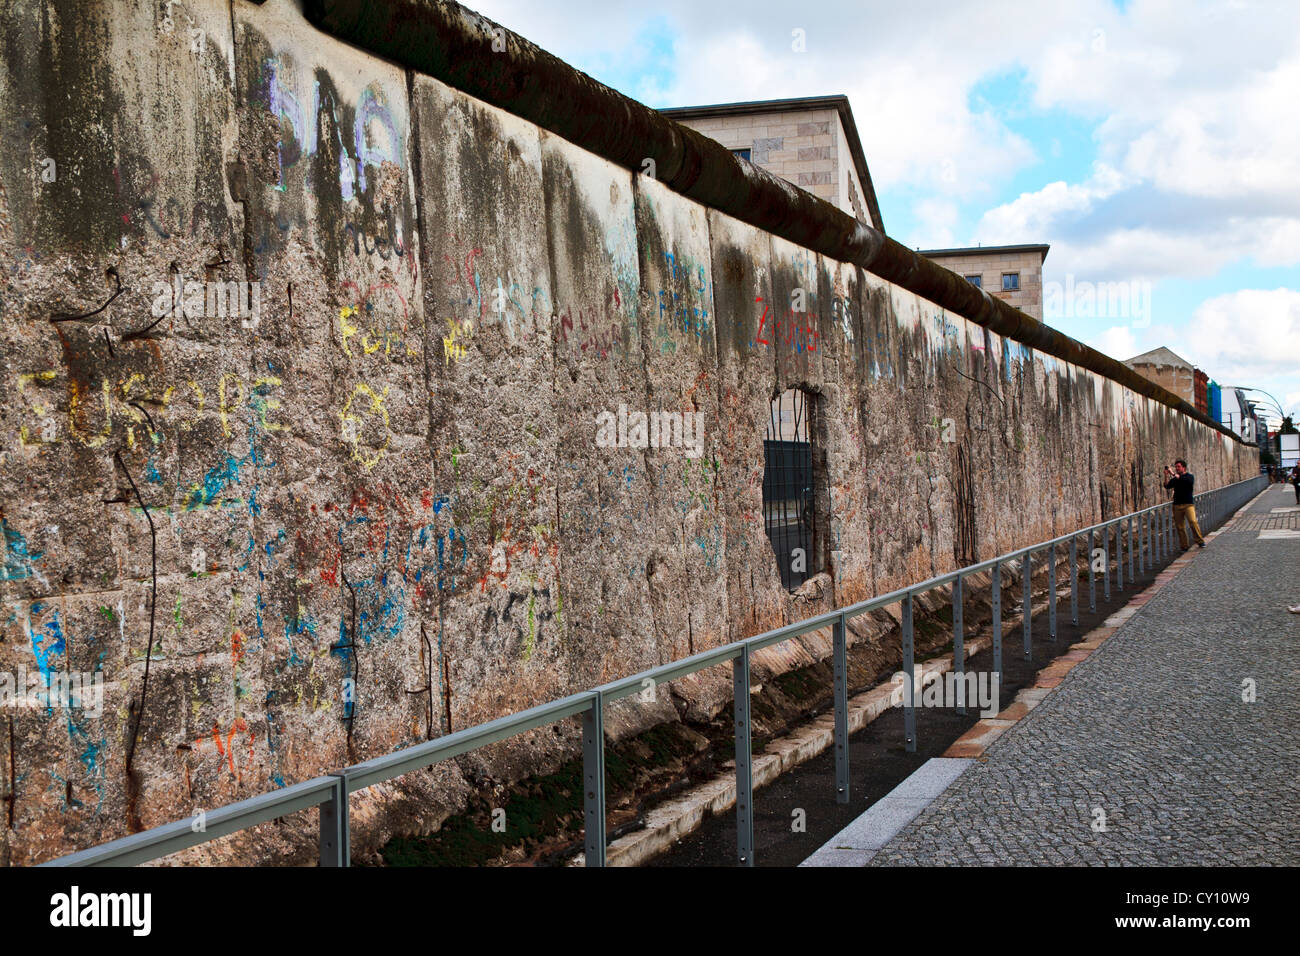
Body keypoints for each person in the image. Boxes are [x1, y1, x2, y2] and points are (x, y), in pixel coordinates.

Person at [1163, 460, 1205, 549]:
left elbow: (1186, 482)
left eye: (1178, 466)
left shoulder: (1189, 477)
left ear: (1183, 467)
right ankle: (1184, 545)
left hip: (1188, 504)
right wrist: (1166, 475)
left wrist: (1173, 474)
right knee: (1180, 527)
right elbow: (1167, 486)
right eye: (1176, 467)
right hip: (1177, 505)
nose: (1177, 468)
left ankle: (1200, 541)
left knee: (1193, 522)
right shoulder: (1175, 479)